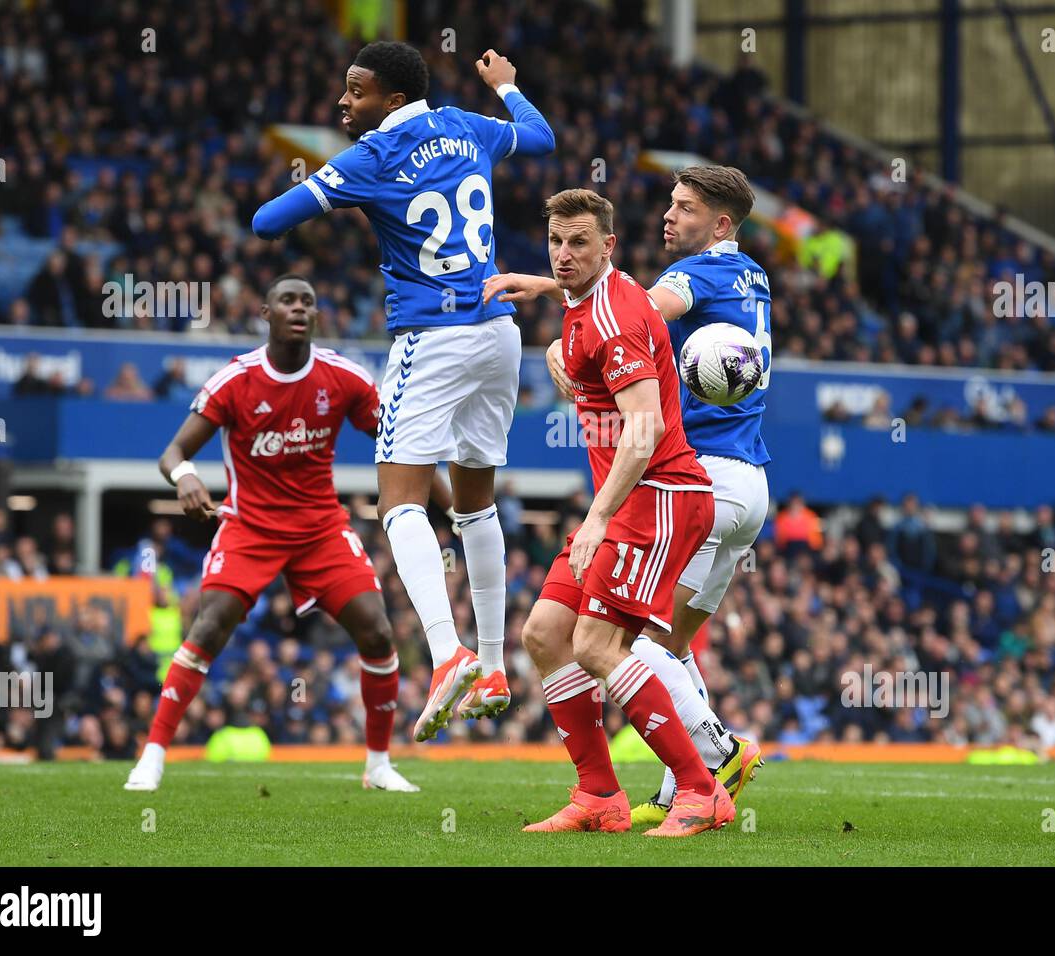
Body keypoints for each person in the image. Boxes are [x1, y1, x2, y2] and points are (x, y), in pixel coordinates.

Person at [252, 42, 555, 742]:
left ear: (389, 99)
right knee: (476, 504)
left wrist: (341, 188)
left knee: (398, 503)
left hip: (433, 337)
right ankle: (490, 663)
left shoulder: (372, 156)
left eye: (354, 92)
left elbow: (267, 222)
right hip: (500, 333)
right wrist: (508, 87)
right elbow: (540, 136)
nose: (342, 103)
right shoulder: (466, 124)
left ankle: (446, 653)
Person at [484, 166, 769, 823]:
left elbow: (643, 389)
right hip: (725, 478)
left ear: (608, 247)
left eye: (579, 243)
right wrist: (549, 291)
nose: (563, 254)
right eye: (556, 241)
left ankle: (706, 779)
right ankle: (601, 796)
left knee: (608, 645)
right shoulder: (742, 275)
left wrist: (596, 517)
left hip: (668, 488)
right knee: (551, 633)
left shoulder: (649, 296)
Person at [124, 275, 417, 793]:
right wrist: (186, 477)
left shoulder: (342, 378)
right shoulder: (234, 382)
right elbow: (173, 453)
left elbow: (399, 440)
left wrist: (453, 503)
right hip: (250, 526)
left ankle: (377, 764)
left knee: (377, 630)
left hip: (319, 527)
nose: (299, 308)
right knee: (209, 627)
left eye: (308, 300)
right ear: (266, 312)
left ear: (316, 315)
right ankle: (152, 756)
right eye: (288, 300)